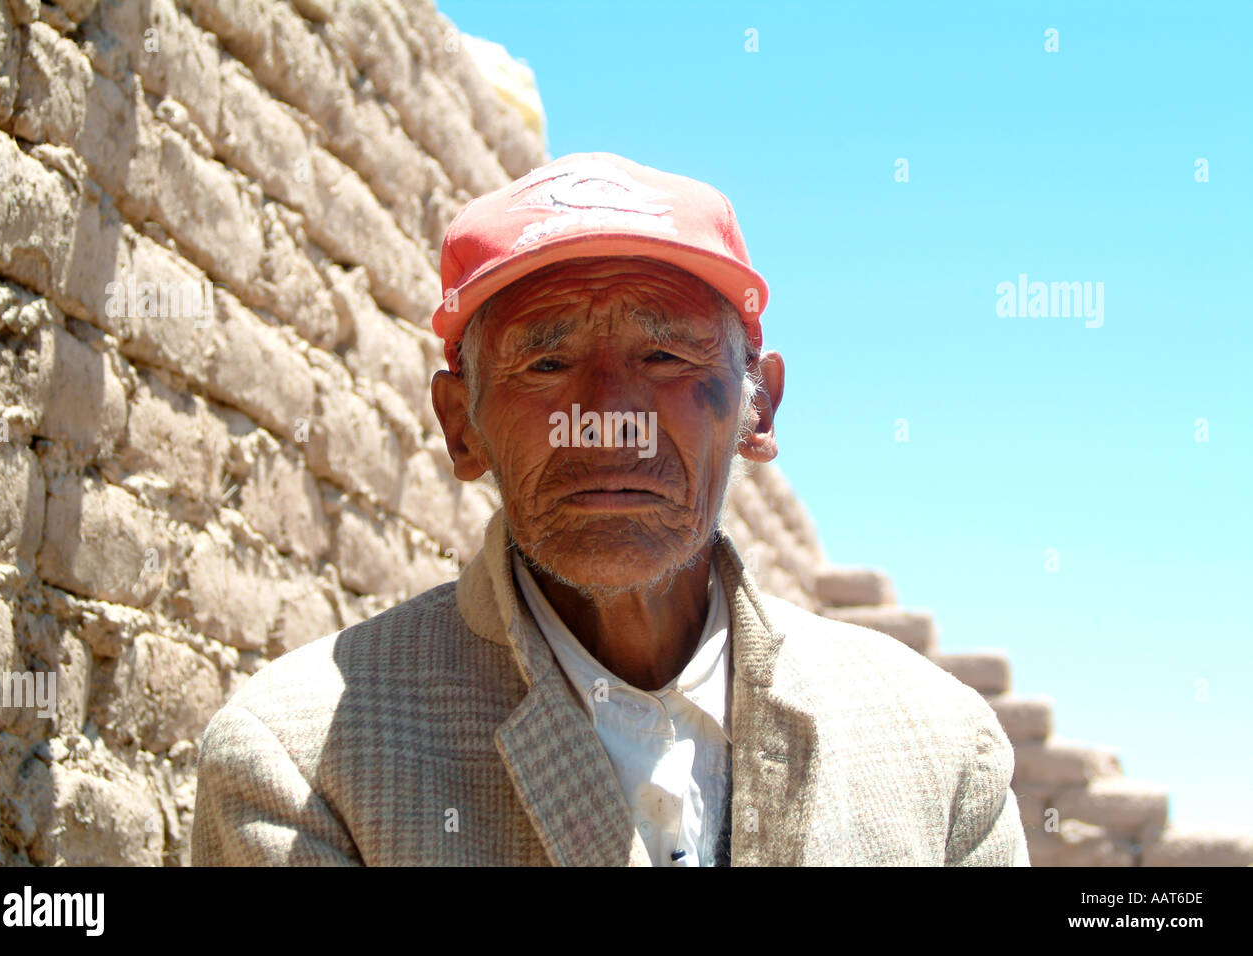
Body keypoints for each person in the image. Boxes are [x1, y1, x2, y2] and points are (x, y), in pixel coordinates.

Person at [191, 152, 1029, 866]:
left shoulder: (940, 750)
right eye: (545, 362)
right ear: (462, 426)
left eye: (665, 354)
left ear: (757, 411)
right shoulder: (307, 765)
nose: (605, 416)